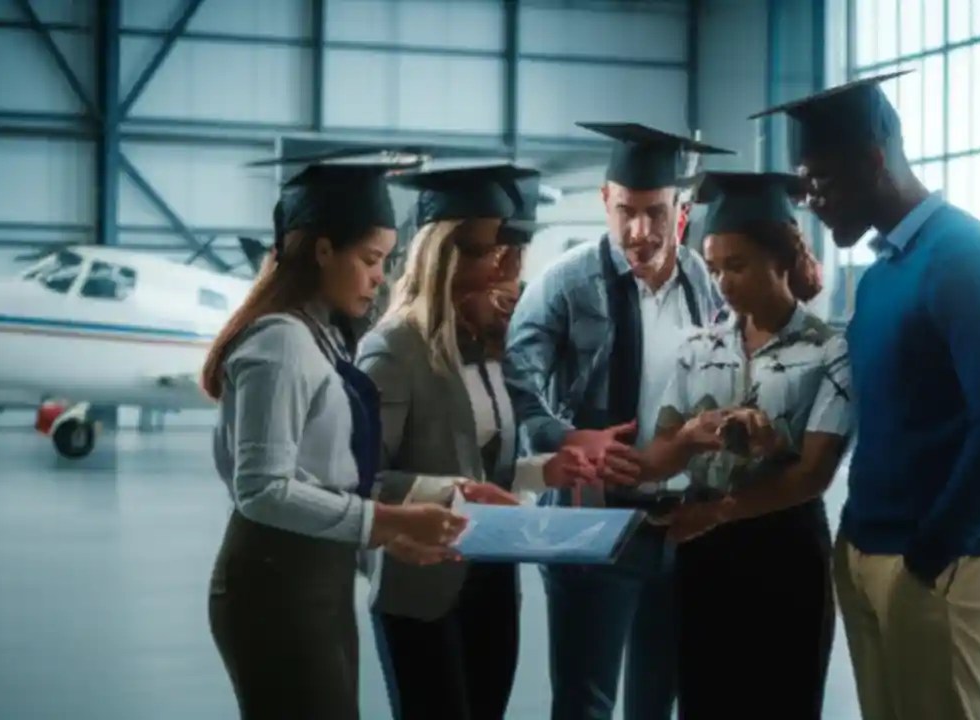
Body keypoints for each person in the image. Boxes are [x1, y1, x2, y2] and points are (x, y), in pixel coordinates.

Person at [749, 72, 980, 719]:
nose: (813, 204)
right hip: (868, 551)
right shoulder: (882, 279)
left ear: (874, 162)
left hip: (941, 564)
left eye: (821, 182)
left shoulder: (965, 260)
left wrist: (933, 552)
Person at [202, 158, 471, 720]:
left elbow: (321, 476)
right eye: (370, 260)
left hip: (315, 577)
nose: (381, 277)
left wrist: (382, 539)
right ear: (322, 251)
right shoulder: (279, 344)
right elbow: (263, 490)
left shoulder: (319, 337)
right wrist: (389, 521)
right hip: (275, 583)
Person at [356, 164, 599, 720]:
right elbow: (361, 481)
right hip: (421, 582)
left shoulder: (489, 348)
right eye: (488, 254)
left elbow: (487, 469)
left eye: (507, 254)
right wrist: (451, 490)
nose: (503, 271)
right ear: (442, 255)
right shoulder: (393, 350)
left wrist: (546, 471)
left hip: (491, 576)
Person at [504, 122, 730, 720]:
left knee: (658, 699)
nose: (640, 231)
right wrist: (560, 436)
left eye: (656, 212)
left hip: (674, 523)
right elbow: (516, 379)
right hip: (591, 522)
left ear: (679, 207)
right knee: (585, 701)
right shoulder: (565, 284)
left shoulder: (702, 283)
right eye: (626, 210)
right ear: (605, 199)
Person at [631, 172, 852, 719]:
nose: (723, 283)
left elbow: (813, 473)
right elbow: (655, 461)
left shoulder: (830, 351)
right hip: (705, 553)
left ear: (780, 259)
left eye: (737, 265)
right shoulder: (697, 348)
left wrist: (727, 503)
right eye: (713, 268)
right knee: (705, 700)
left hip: (786, 549)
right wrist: (687, 436)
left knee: (785, 699)